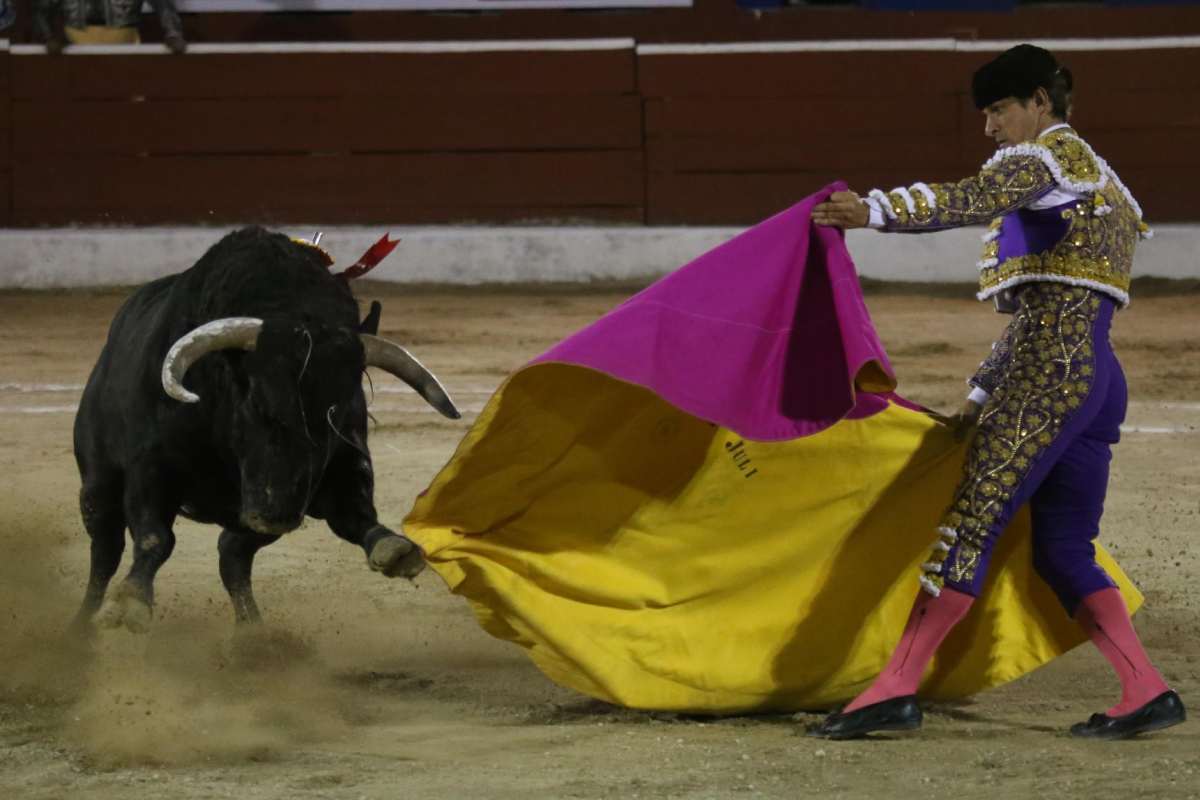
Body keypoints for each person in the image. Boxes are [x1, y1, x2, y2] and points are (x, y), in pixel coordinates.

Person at [807, 44, 1186, 740]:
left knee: (970, 523)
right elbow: (1060, 299)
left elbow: (968, 199)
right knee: (1064, 548)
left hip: (1049, 372)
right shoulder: (1103, 179)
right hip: (1094, 374)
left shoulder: (1040, 160)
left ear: (1041, 101)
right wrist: (983, 393)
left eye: (1000, 109)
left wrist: (875, 212)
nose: (991, 127)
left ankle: (895, 686)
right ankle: (1144, 687)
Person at [34, 0, 187, 55]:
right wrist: (48, 37)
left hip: (125, 45)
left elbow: (163, 4)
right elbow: (41, 9)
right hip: (75, 44)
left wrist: (173, 33)